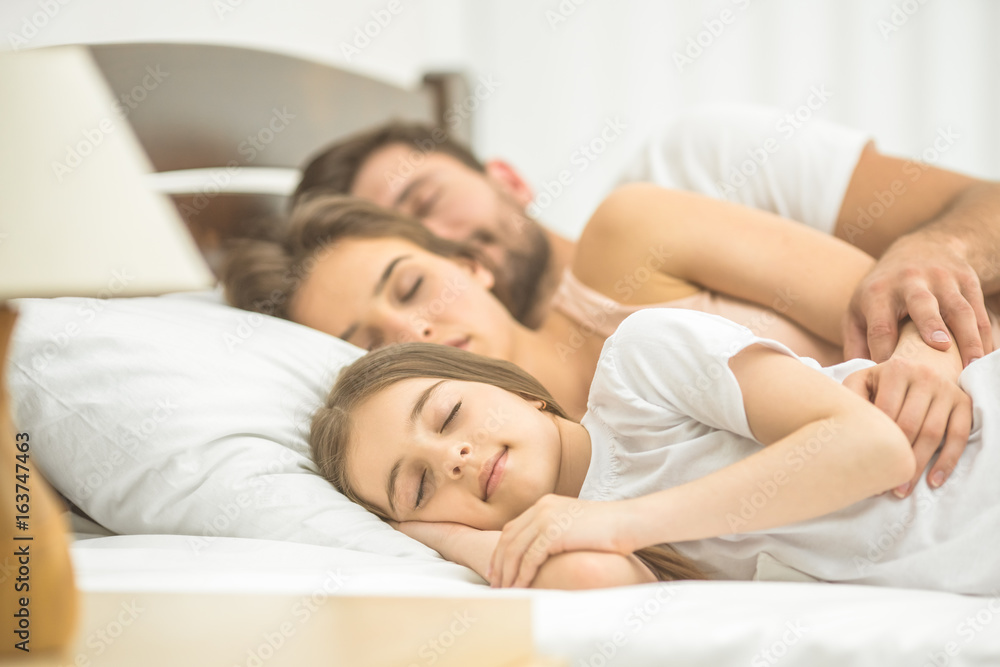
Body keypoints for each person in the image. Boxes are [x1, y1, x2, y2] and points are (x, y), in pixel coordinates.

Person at [224, 186, 993, 495]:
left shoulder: (633, 239)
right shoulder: (494, 484)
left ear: (469, 264)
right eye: (367, 342)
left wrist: (929, 353)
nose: (413, 328)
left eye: (411, 286)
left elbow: (898, 296)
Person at [308, 308, 999, 594]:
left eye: (448, 413)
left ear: (521, 392)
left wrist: (623, 520)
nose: (452, 457)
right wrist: (447, 539)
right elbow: (589, 582)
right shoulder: (596, 549)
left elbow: (873, 447)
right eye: (421, 485)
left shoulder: (639, 365)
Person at [291, 107, 1000, 367]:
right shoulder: (523, 417)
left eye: (427, 200)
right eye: (409, 246)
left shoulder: (689, 163)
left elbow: (987, 203)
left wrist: (937, 250)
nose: (443, 244)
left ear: (506, 176)